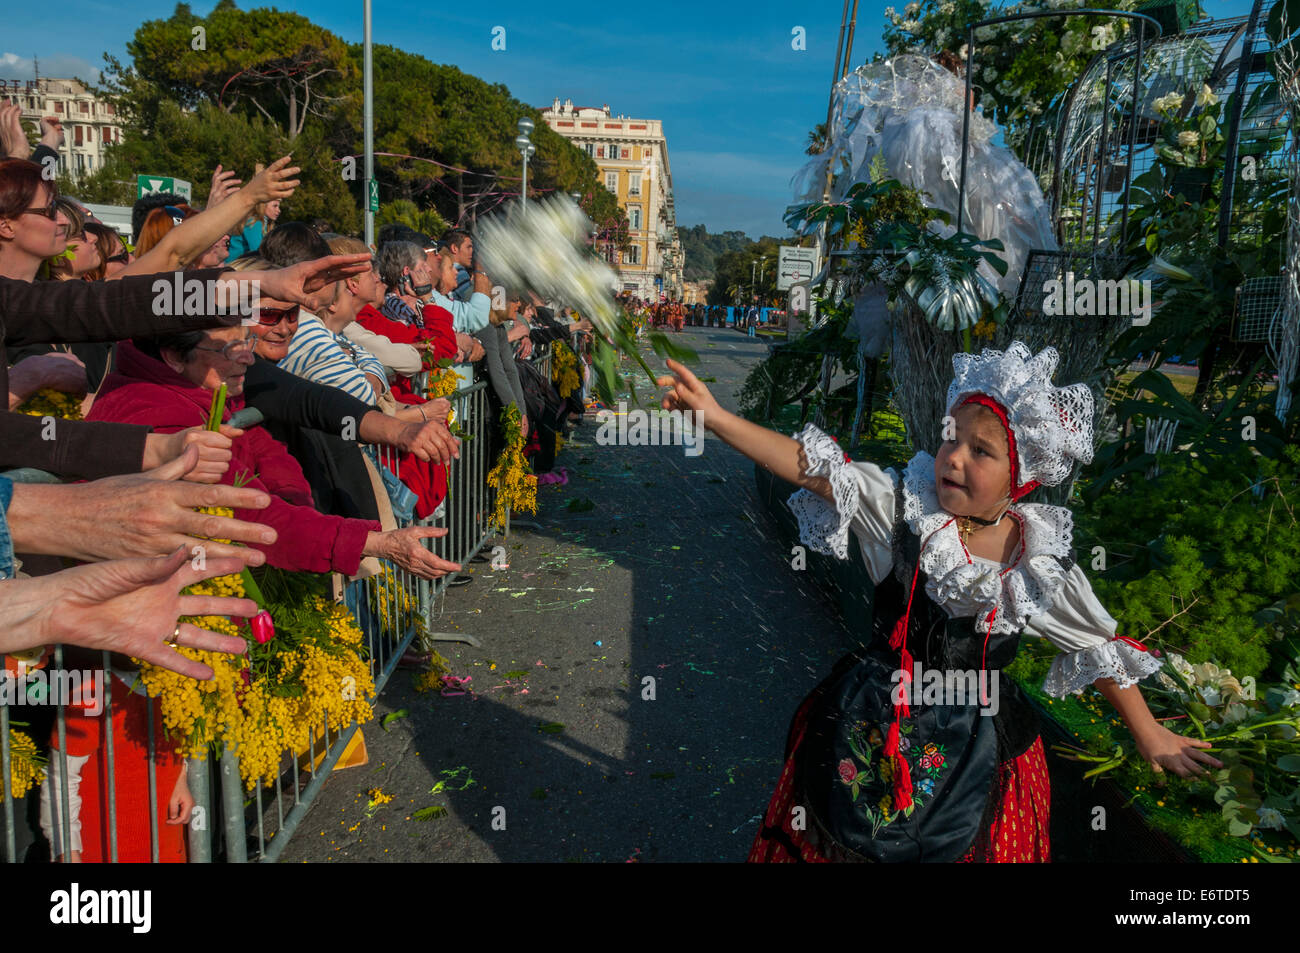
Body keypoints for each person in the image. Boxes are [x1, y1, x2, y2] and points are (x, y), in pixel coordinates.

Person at [657, 342, 1219, 863]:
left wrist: (1149, 733)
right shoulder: (902, 507)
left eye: (982, 451)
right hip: (874, 717)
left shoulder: (1036, 562)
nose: (953, 458)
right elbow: (819, 472)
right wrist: (718, 419)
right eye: (952, 438)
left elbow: (1096, 646)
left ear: (1019, 477)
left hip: (980, 747)